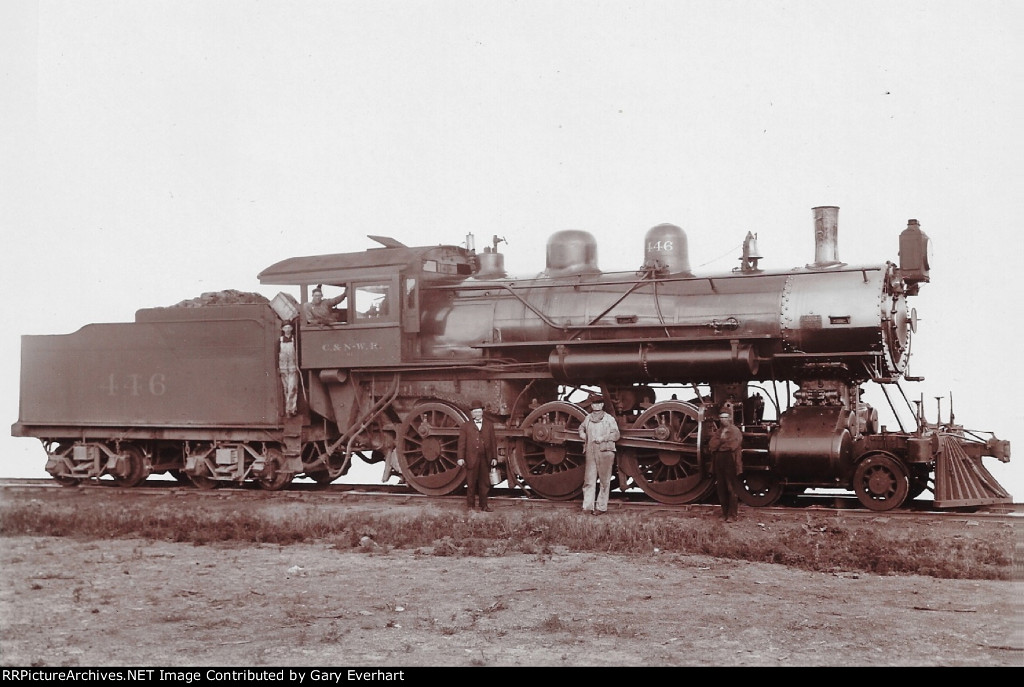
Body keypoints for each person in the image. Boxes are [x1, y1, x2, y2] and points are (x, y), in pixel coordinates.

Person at [578, 394, 620, 515]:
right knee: (589, 480)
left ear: (602, 405)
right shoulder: (588, 418)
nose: (596, 406)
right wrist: (583, 435)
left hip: (605, 451)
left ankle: (601, 507)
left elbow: (616, 435)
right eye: (594, 404)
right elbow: (581, 428)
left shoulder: (609, 419)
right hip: (591, 451)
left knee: (604, 481)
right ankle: (587, 507)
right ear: (591, 406)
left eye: (599, 403)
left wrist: (603, 438)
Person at [456, 399, 498, 512]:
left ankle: (484, 505)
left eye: (479, 411)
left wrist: (494, 457)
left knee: (485, 483)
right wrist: (460, 457)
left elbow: (493, 442)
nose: (477, 413)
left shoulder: (489, 425)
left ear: (482, 412)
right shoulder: (465, 426)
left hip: (485, 458)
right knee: (471, 483)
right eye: (475, 412)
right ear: (472, 413)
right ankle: (470, 506)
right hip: (471, 458)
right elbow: (462, 443)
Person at [708, 409, 743, 521]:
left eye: (725, 417)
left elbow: (732, 445)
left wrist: (719, 445)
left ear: (730, 418)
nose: (723, 420)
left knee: (731, 488)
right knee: (721, 488)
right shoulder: (719, 431)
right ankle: (724, 513)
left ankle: (732, 515)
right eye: (721, 418)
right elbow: (712, 445)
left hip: (730, 460)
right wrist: (721, 442)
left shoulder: (735, 431)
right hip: (719, 461)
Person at [278, 323, 299, 416]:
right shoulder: (280, 340)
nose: (287, 329)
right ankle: (290, 410)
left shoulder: (295, 339)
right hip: (283, 368)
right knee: (286, 389)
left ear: (292, 328)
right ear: (282, 329)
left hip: (293, 367)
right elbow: (277, 353)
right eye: (285, 328)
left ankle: (290, 409)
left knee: (293, 388)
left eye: (289, 327)